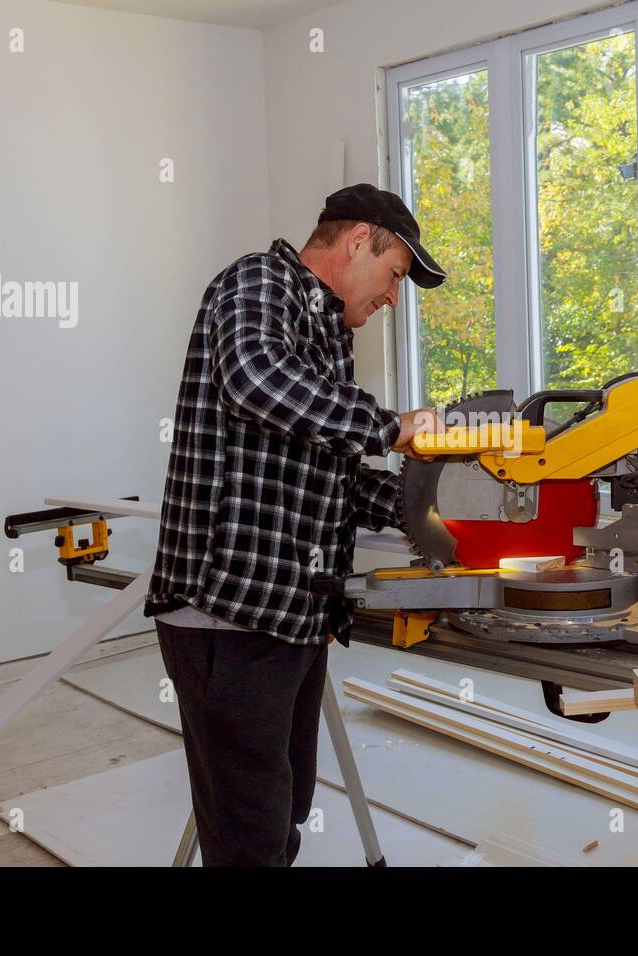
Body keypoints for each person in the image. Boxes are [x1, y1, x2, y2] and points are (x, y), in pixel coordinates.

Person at [144, 183, 445, 866]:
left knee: (282, 816)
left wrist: (433, 510)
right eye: (396, 273)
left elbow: (333, 471)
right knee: (250, 835)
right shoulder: (259, 282)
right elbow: (254, 379)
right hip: (230, 611)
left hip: (291, 615)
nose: (395, 296)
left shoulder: (329, 340)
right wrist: (393, 428)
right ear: (357, 240)